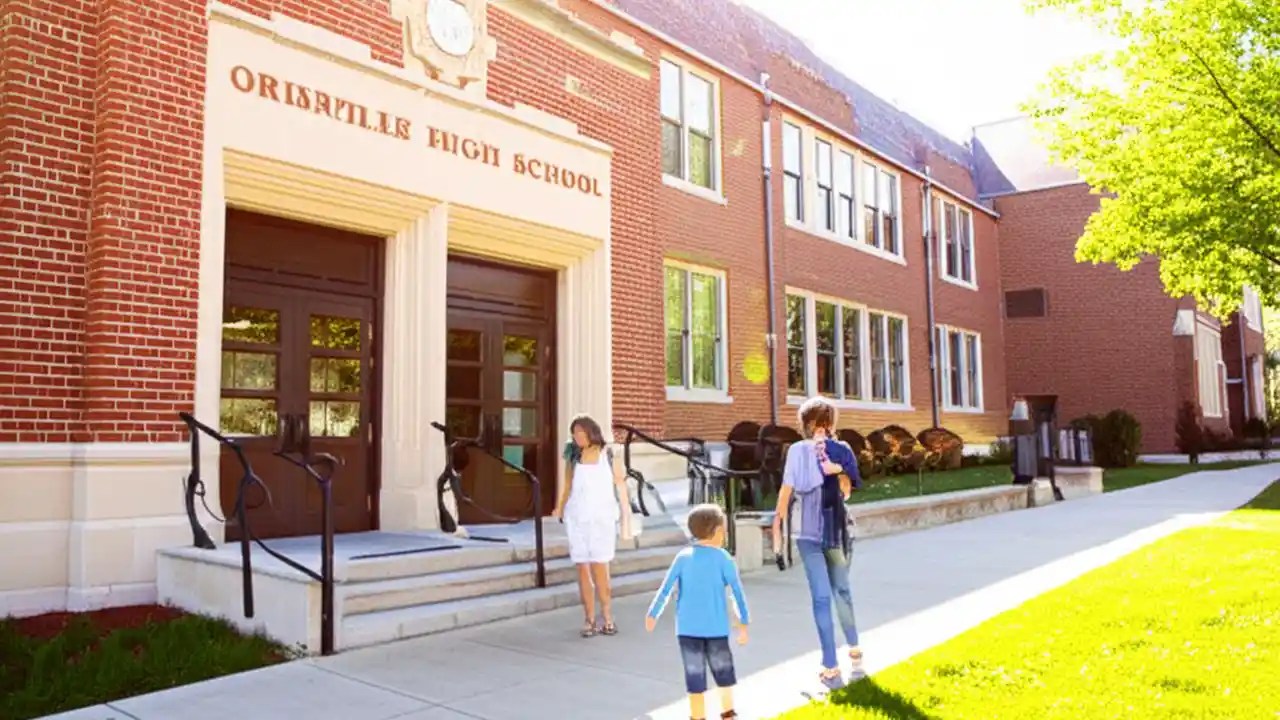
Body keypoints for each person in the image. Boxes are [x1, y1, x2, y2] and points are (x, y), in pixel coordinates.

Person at [770, 396, 863, 689]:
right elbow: (847, 493)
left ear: (805, 423)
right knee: (842, 592)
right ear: (830, 423)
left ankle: (831, 668)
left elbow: (786, 492)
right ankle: (855, 656)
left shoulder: (797, 451)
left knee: (822, 598)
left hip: (808, 534)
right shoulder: (842, 449)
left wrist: (776, 526)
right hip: (836, 531)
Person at [646, 504, 750, 720]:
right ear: (717, 531)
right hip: (716, 630)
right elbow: (737, 593)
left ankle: (697, 716)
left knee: (694, 677)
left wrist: (653, 614)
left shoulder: (683, 557)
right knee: (724, 674)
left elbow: (666, 589)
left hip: (688, 630)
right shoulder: (724, 559)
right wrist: (743, 622)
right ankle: (728, 712)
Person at [552, 414, 633, 637]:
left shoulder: (609, 453)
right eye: (574, 434)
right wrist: (560, 507)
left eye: (580, 433)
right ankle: (588, 618)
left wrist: (626, 514)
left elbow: (621, 484)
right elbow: (567, 484)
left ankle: (607, 616)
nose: (577, 437)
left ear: (591, 432)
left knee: (600, 568)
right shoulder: (573, 455)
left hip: (602, 519)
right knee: (582, 568)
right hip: (577, 518)